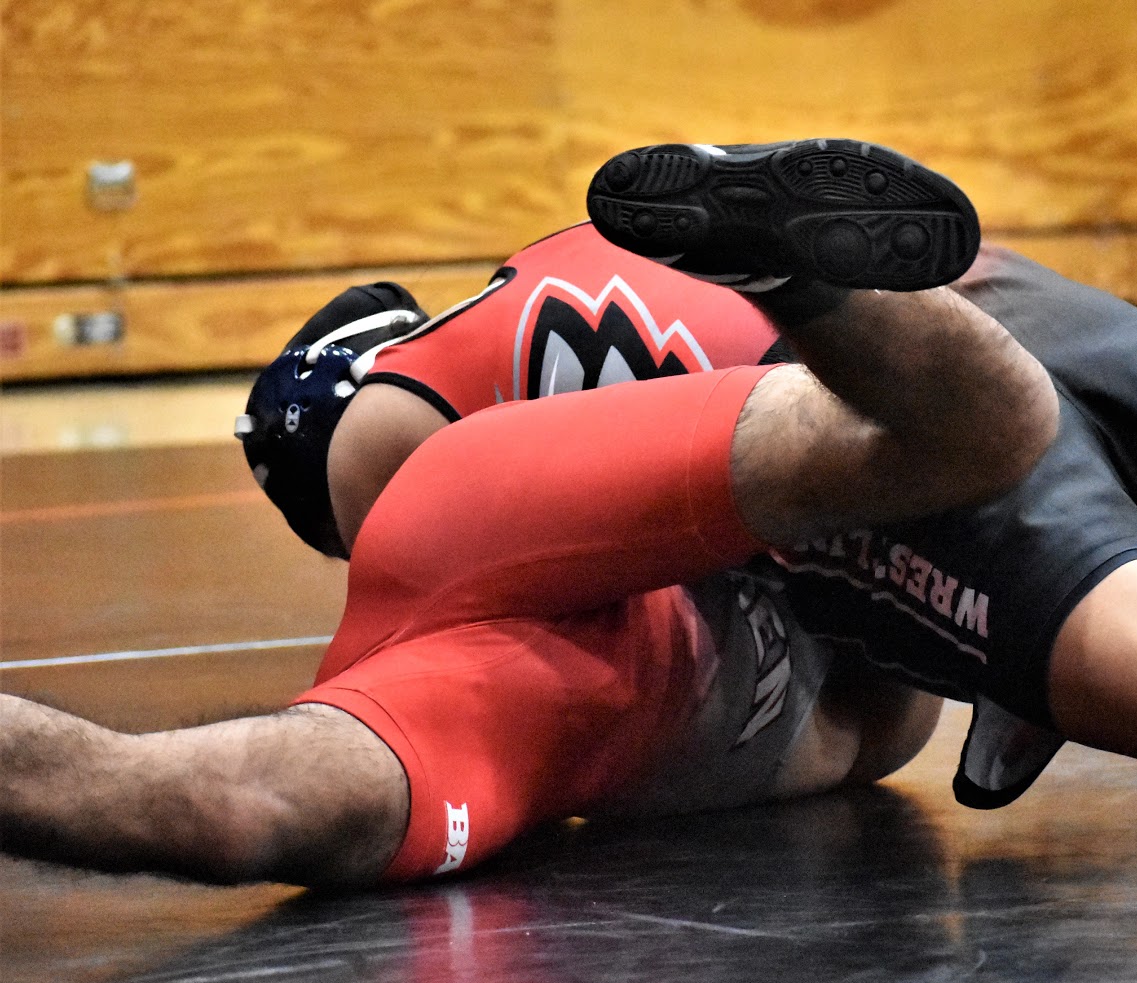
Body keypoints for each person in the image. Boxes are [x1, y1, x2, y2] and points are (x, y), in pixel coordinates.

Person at [242, 140, 1137, 837]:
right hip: (1013, 308)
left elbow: (727, 675)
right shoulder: (536, 275)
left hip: (898, 431)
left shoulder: (377, 450)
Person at [0, 139, 1059, 889]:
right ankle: (810, 290)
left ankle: (809, 291)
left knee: (992, 463)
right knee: (986, 470)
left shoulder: (429, 525)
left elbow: (230, 805)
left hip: (539, 517)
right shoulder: (471, 631)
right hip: (622, 529)